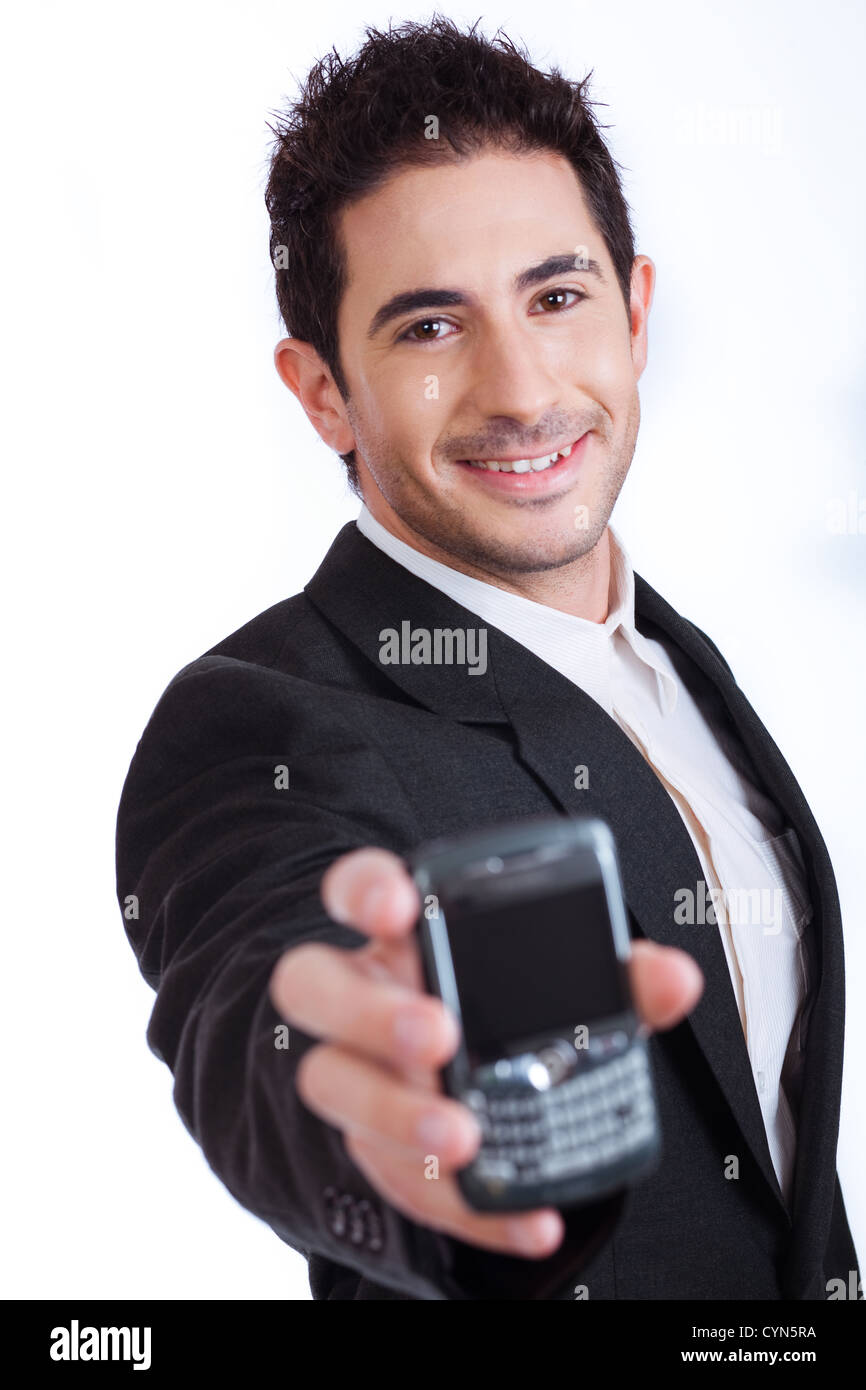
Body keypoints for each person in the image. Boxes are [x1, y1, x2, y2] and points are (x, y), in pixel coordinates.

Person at [115, 17, 860, 1300]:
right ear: (322, 394)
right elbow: (264, 1004)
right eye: (426, 328)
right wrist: (388, 1121)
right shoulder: (260, 722)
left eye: (555, 297)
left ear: (630, 311)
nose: (518, 388)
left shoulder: (673, 658)